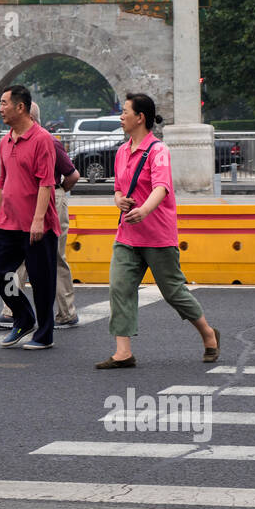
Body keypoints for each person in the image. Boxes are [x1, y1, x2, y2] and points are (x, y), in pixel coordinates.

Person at [98, 93, 219, 368]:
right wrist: (119, 200)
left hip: (157, 234)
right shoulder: (121, 151)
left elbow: (161, 187)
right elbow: (118, 187)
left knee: (173, 291)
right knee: (120, 287)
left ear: (140, 117)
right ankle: (123, 352)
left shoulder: (158, 150)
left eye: (125, 112)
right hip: (127, 234)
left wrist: (144, 210)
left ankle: (208, 334)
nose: (121, 116)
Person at [0, 102, 81, 330]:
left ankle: (66, 313)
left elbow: (73, 175)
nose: (3, 113)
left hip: (49, 200)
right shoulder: (11, 141)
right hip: (24, 205)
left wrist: (58, 192)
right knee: (15, 261)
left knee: (54, 259)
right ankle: (12, 312)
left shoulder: (46, 140)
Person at [0, 85, 59, 350]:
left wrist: (39, 219)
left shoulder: (42, 139)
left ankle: (45, 334)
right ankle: (24, 317)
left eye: (5, 103)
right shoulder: (5, 140)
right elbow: (2, 182)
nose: (1, 109)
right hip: (8, 223)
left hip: (36, 224)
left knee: (42, 281)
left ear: (21, 107)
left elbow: (46, 182)